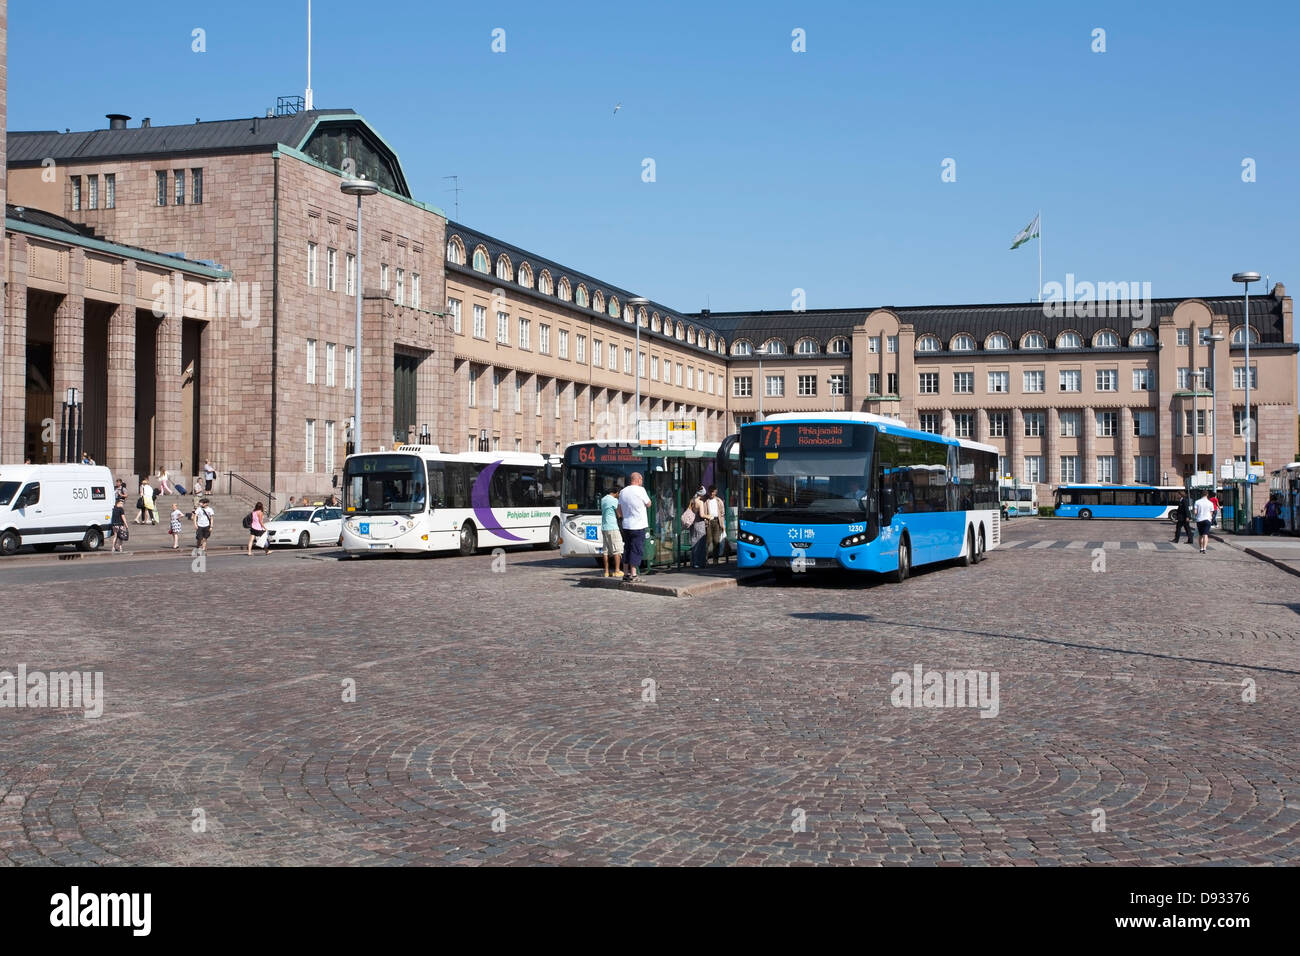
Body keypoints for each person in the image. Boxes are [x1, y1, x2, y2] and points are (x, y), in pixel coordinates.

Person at [618, 472, 652, 583]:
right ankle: (634, 574)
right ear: (638, 480)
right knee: (636, 549)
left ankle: (625, 573)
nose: (642, 482)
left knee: (627, 548)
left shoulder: (623, 491)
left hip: (626, 525)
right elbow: (648, 503)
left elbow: (619, 510)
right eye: (641, 480)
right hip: (638, 525)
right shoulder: (641, 490)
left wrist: (626, 515)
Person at [599, 485, 623, 578]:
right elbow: (619, 514)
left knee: (605, 551)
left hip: (604, 527)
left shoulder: (603, 499)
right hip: (612, 527)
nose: (619, 496)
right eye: (619, 494)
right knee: (617, 549)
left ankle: (606, 572)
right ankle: (617, 571)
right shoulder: (614, 500)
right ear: (616, 493)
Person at [702, 484, 726, 565]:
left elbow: (722, 513)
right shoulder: (705, 501)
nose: (712, 493)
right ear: (708, 492)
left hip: (717, 522)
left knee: (716, 541)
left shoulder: (719, 501)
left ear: (716, 492)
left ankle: (715, 560)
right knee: (708, 541)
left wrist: (723, 525)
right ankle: (705, 559)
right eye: (710, 492)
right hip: (708, 522)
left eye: (713, 492)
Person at [688, 487, 709, 569]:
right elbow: (702, 515)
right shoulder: (700, 502)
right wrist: (709, 516)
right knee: (700, 543)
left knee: (694, 542)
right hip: (700, 524)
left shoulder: (692, 501)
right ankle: (699, 562)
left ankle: (693, 562)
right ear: (702, 495)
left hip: (693, 524)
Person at [1193, 489, 1215, 554]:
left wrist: (1197, 515)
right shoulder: (1210, 503)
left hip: (1199, 520)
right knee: (1205, 535)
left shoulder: (1197, 502)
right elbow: (1211, 512)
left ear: (1201, 494)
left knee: (1200, 535)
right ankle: (1204, 548)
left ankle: (1201, 548)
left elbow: (1195, 512)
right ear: (1207, 495)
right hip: (1207, 520)